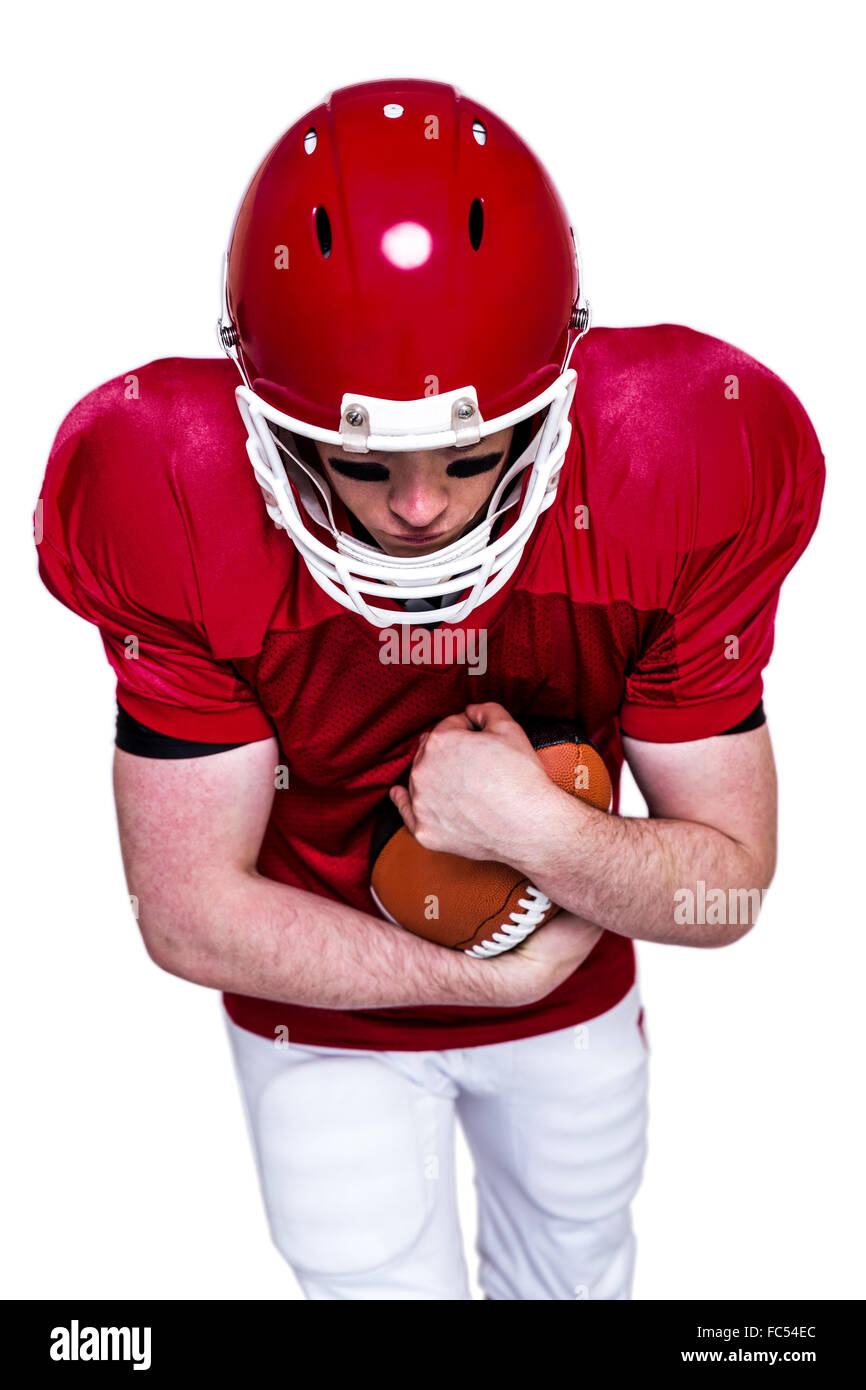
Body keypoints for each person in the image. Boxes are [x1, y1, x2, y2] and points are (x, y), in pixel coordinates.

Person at [34, 78, 825, 1301]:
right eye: (364, 462)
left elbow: (724, 898)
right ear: (273, 424)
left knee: (577, 1259)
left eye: (467, 452)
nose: (417, 507)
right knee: (365, 1275)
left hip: (567, 1002)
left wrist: (529, 827)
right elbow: (186, 914)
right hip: (324, 1019)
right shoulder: (169, 489)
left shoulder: (676, 458)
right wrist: (484, 976)